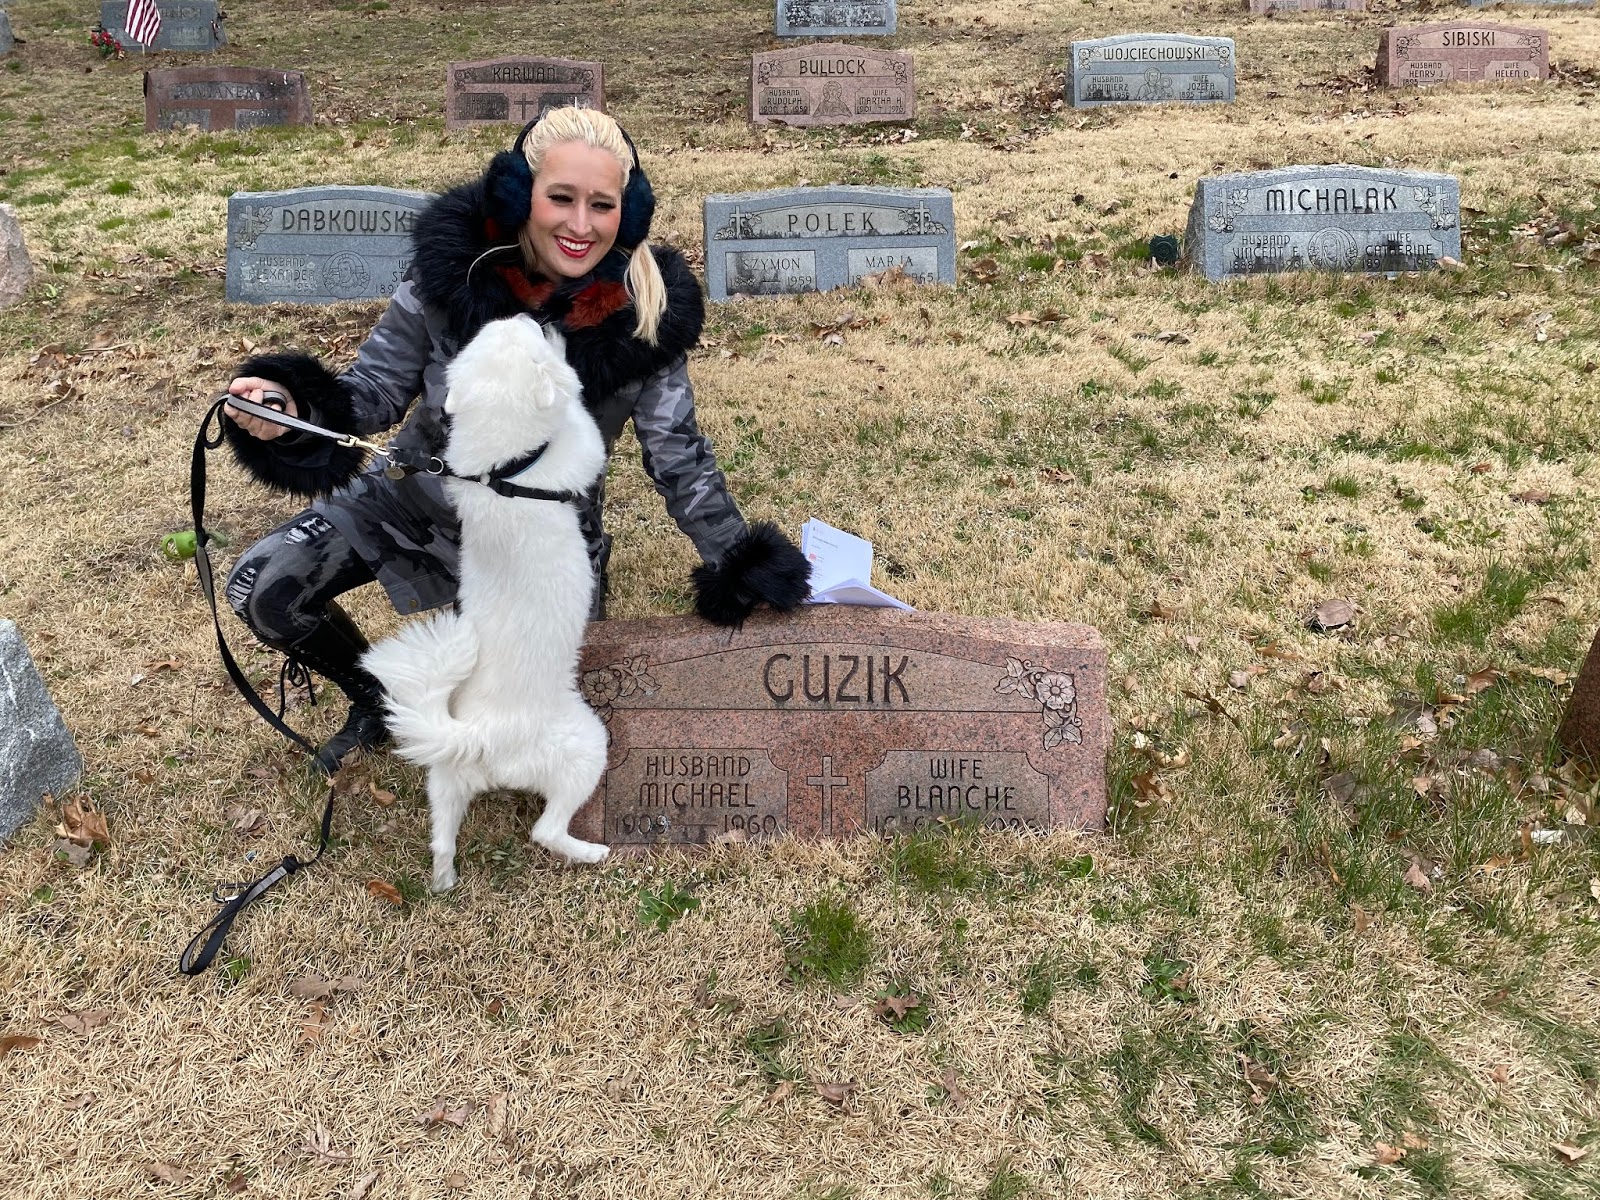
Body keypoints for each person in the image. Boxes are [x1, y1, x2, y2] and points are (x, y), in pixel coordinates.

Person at [218, 106, 809, 775]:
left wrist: (744, 567)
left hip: (541, 541)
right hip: (414, 500)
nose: (580, 225)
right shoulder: (451, 276)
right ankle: (375, 701)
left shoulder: (647, 315)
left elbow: (681, 461)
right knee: (261, 589)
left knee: (512, 746)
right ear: (517, 194)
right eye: (560, 197)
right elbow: (374, 388)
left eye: (602, 205)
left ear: (629, 212)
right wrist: (294, 408)